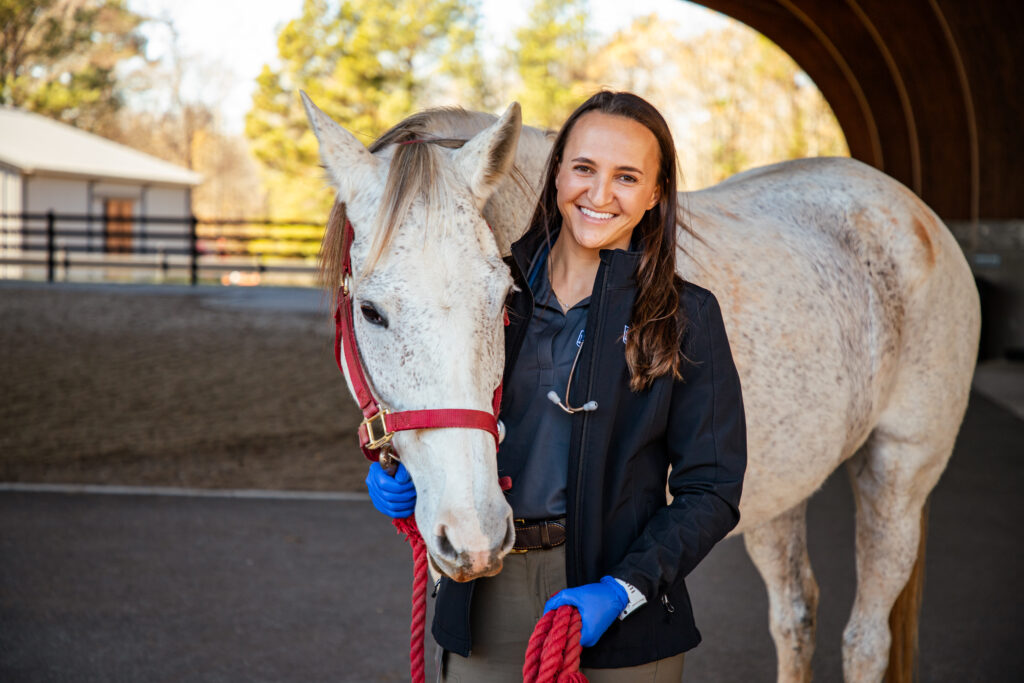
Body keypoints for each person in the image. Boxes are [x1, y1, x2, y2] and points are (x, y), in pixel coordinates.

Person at [366, 90, 747, 682]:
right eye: (584, 169)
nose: (599, 195)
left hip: (619, 608)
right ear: (557, 174)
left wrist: (624, 590)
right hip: (484, 597)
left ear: (655, 194)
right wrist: (401, 466)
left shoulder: (686, 317)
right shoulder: (489, 296)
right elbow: (432, 402)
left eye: (626, 177)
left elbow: (713, 489)